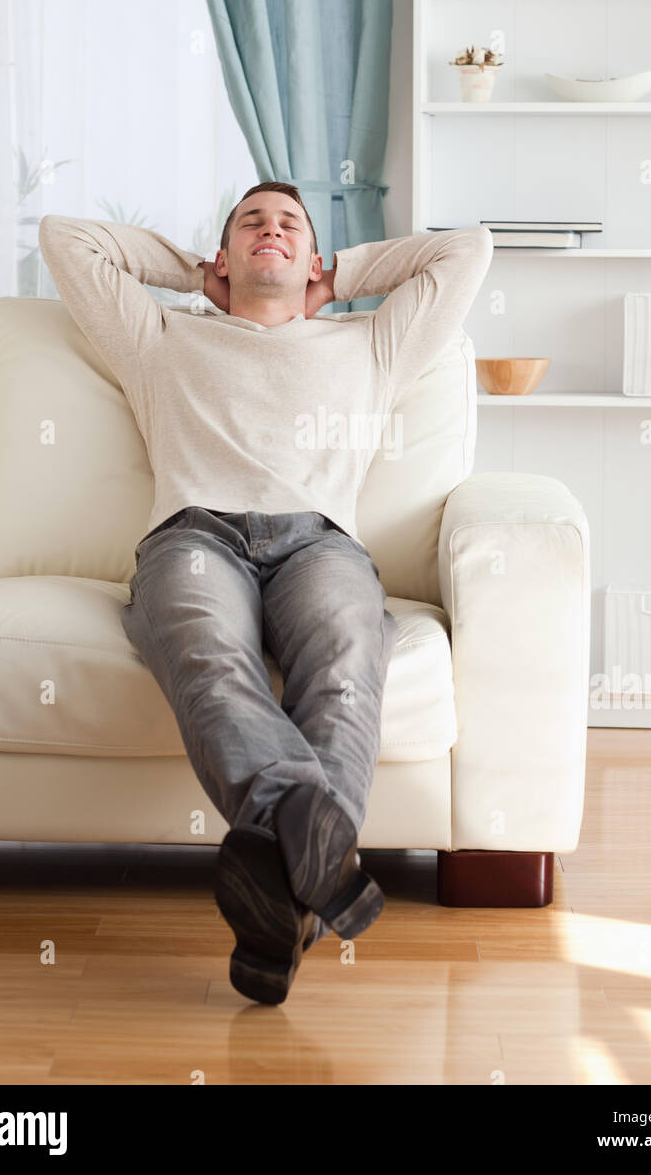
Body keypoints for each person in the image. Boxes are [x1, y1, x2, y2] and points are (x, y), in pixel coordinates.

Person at [38, 183, 492, 1005]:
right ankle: (308, 851)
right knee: (211, 660)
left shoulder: (371, 344)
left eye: (290, 226)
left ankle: (280, 903)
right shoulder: (160, 337)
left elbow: (469, 249)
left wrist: (342, 273)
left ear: (313, 258)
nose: (270, 231)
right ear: (225, 255)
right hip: (194, 537)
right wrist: (191, 275)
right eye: (251, 223)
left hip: (320, 541)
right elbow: (65, 237)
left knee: (348, 661)